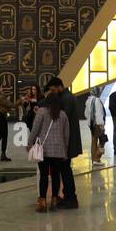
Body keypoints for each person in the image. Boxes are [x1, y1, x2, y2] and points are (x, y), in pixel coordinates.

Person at [27, 89, 69, 212]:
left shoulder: (42, 112)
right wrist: (65, 150)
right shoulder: (63, 114)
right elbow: (67, 135)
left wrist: (30, 142)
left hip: (43, 149)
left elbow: (35, 129)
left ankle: (42, 202)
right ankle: (54, 201)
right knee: (56, 175)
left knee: (44, 175)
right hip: (58, 150)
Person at [47, 77, 82, 209]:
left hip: (67, 141)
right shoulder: (69, 96)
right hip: (70, 140)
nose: (52, 92)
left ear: (58, 86)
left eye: (52, 89)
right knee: (65, 169)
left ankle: (71, 198)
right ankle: (69, 196)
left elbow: (62, 120)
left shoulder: (65, 99)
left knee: (65, 170)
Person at [86, 85, 107, 165]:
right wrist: (101, 125)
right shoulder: (97, 100)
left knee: (93, 141)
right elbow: (99, 114)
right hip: (97, 124)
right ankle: (96, 159)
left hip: (91, 124)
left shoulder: (88, 100)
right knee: (102, 140)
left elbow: (86, 113)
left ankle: (93, 159)